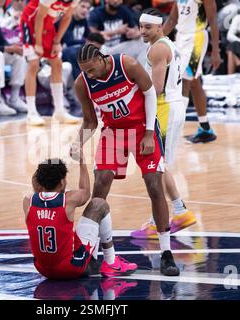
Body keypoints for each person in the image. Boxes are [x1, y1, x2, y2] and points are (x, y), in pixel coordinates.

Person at [71, 44, 180, 276]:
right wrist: (77, 142)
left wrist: (150, 133)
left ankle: (166, 253)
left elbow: (150, 93)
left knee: (154, 185)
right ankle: (98, 254)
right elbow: (90, 121)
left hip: (142, 128)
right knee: (100, 186)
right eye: (84, 71)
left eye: (91, 69)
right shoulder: (83, 83)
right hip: (113, 132)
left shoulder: (126, 64)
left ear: (102, 58)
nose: (89, 75)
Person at [131, 9, 196, 240]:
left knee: (156, 167)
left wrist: (131, 93)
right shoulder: (166, 43)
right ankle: (175, 213)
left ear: (159, 27)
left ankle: (171, 215)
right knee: (159, 165)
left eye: (147, 27)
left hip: (165, 108)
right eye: (140, 26)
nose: (142, 31)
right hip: (170, 105)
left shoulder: (159, 48)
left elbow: (155, 88)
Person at [23, 152, 138, 279]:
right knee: (99, 204)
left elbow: (37, 186)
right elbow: (86, 192)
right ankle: (111, 262)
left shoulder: (28, 201)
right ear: (62, 182)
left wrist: (43, 170)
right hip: (69, 268)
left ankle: (94, 260)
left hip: (43, 269)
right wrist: (82, 163)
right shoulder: (68, 200)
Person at [163, 0, 222, 143]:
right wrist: (156, 39)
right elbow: (172, 20)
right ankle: (205, 128)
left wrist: (215, 50)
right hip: (181, 39)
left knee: (184, 80)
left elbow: (213, 21)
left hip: (196, 38)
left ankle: (174, 130)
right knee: (194, 82)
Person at [21, 0, 81, 126]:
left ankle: (59, 111)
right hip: (31, 23)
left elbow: (67, 17)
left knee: (57, 64)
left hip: (48, 24)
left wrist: (57, 41)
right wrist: (38, 43)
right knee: (34, 64)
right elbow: (39, 17)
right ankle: (31, 113)